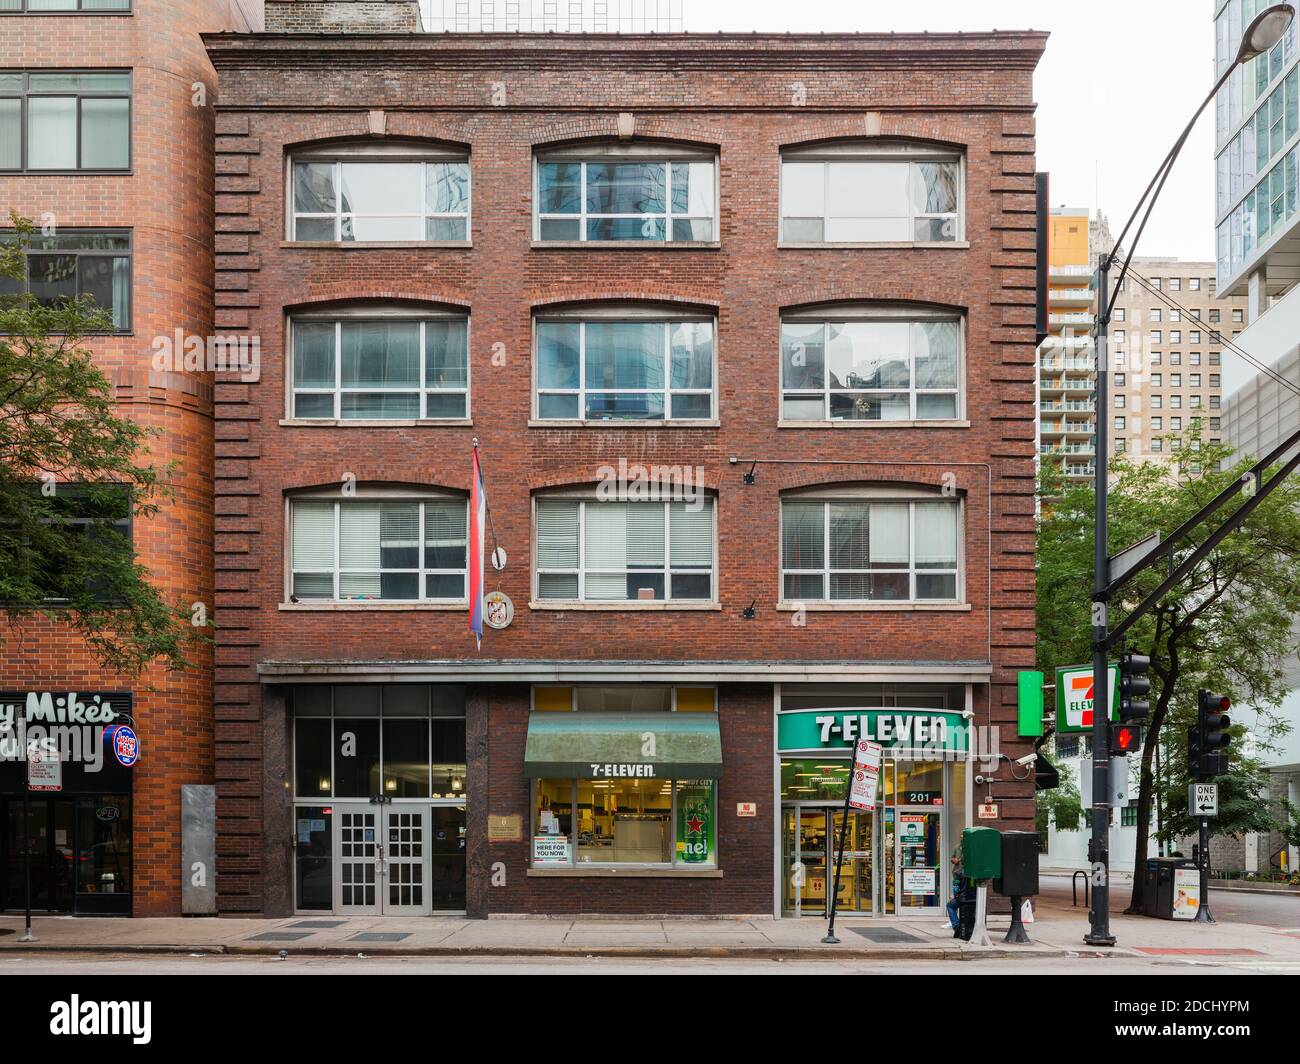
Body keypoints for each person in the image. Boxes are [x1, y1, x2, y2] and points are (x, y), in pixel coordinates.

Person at [946, 845, 965, 934]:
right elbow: (952, 858)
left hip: (962, 896)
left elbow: (956, 889)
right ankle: (956, 923)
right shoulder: (957, 847)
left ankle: (956, 925)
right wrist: (954, 860)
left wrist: (954, 895)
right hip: (967, 896)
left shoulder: (959, 875)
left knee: (950, 905)